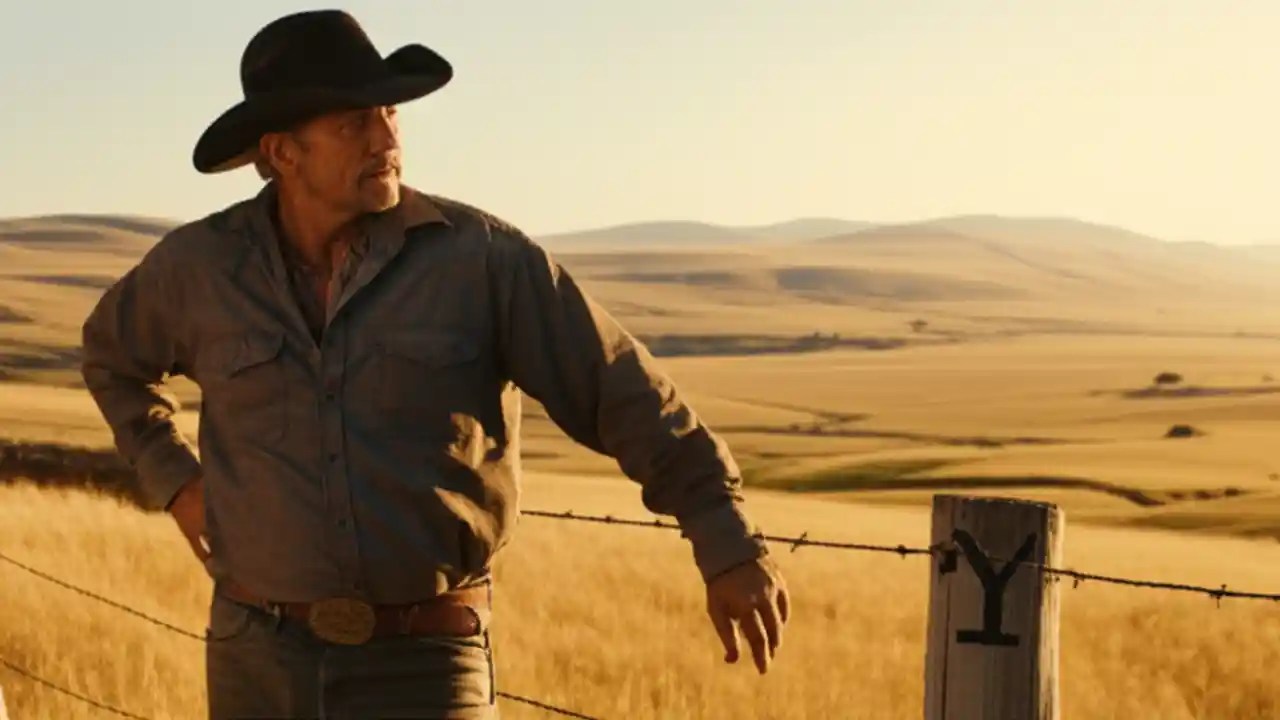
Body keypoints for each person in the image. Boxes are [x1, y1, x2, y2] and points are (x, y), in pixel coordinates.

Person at [81, 9, 790, 719]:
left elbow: (625, 395)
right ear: (282, 152)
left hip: (426, 661)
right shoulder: (199, 269)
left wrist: (724, 540)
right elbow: (111, 361)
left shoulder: (483, 261)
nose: (387, 138)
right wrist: (175, 481)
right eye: (353, 122)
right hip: (255, 657)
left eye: (390, 113)